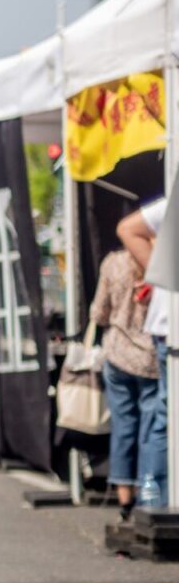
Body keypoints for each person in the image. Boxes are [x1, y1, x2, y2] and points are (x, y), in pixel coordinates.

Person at [90, 241, 161, 520]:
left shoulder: (113, 262)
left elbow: (98, 313)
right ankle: (149, 497)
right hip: (150, 358)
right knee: (151, 432)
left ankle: (123, 500)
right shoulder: (160, 263)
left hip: (118, 354)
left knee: (123, 428)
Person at [117, 200, 170, 508]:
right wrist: (165, 278)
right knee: (161, 416)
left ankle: (152, 502)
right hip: (167, 328)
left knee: (159, 417)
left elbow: (127, 228)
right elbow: (127, 229)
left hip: (160, 330)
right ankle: (155, 503)